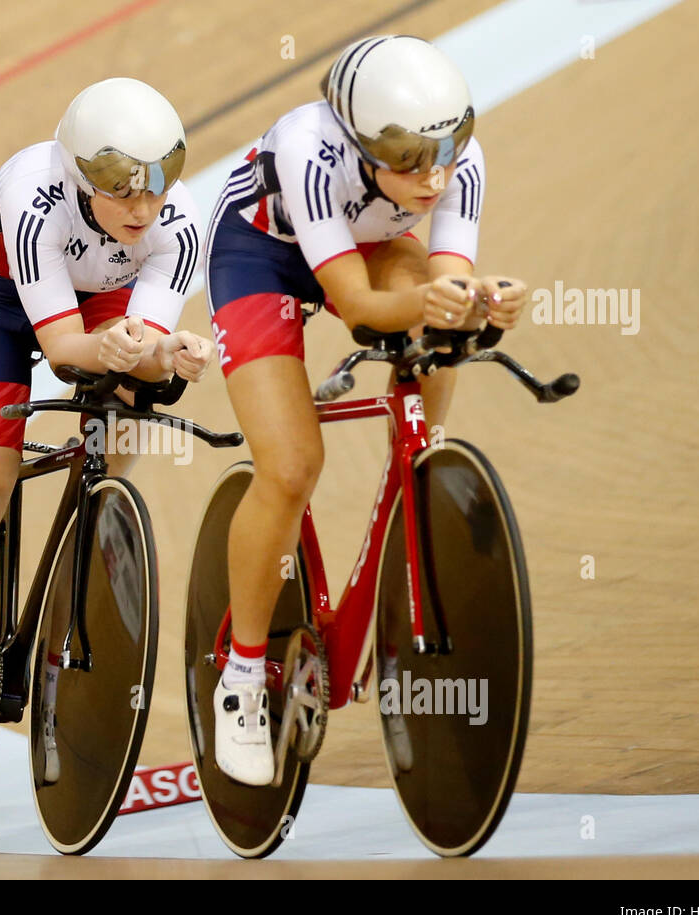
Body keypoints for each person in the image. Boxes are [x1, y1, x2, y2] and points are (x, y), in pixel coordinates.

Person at [204, 35, 529, 784]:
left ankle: (421, 455)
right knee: (290, 468)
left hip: (373, 246)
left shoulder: (459, 161)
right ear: (356, 142)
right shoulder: (308, 148)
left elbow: (442, 281)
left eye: (443, 152)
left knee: (438, 317)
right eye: (408, 160)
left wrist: (485, 302)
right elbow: (359, 308)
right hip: (260, 254)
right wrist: (433, 303)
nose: (433, 175)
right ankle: (243, 679)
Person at [0, 77, 213, 780]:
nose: (144, 209)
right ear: (78, 177)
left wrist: (172, 351)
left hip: (96, 296)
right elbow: (68, 348)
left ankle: (91, 512)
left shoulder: (179, 223)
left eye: (157, 188)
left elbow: (143, 338)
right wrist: (111, 350)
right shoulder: (31, 193)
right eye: (124, 192)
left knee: (137, 390)